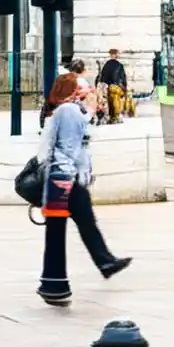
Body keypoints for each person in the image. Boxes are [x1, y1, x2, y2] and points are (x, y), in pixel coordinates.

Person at [36, 73, 132, 306]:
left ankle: (57, 282)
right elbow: (69, 146)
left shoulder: (69, 111)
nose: (88, 89)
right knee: (71, 228)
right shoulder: (67, 111)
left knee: (70, 228)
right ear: (71, 90)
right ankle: (62, 280)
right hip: (64, 179)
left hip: (63, 179)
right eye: (83, 87)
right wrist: (71, 178)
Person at [96, 50, 130, 124]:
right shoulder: (119, 65)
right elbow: (123, 77)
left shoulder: (107, 64)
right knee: (117, 102)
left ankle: (111, 118)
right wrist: (124, 87)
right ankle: (115, 118)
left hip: (109, 86)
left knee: (110, 103)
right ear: (115, 54)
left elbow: (103, 77)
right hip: (117, 87)